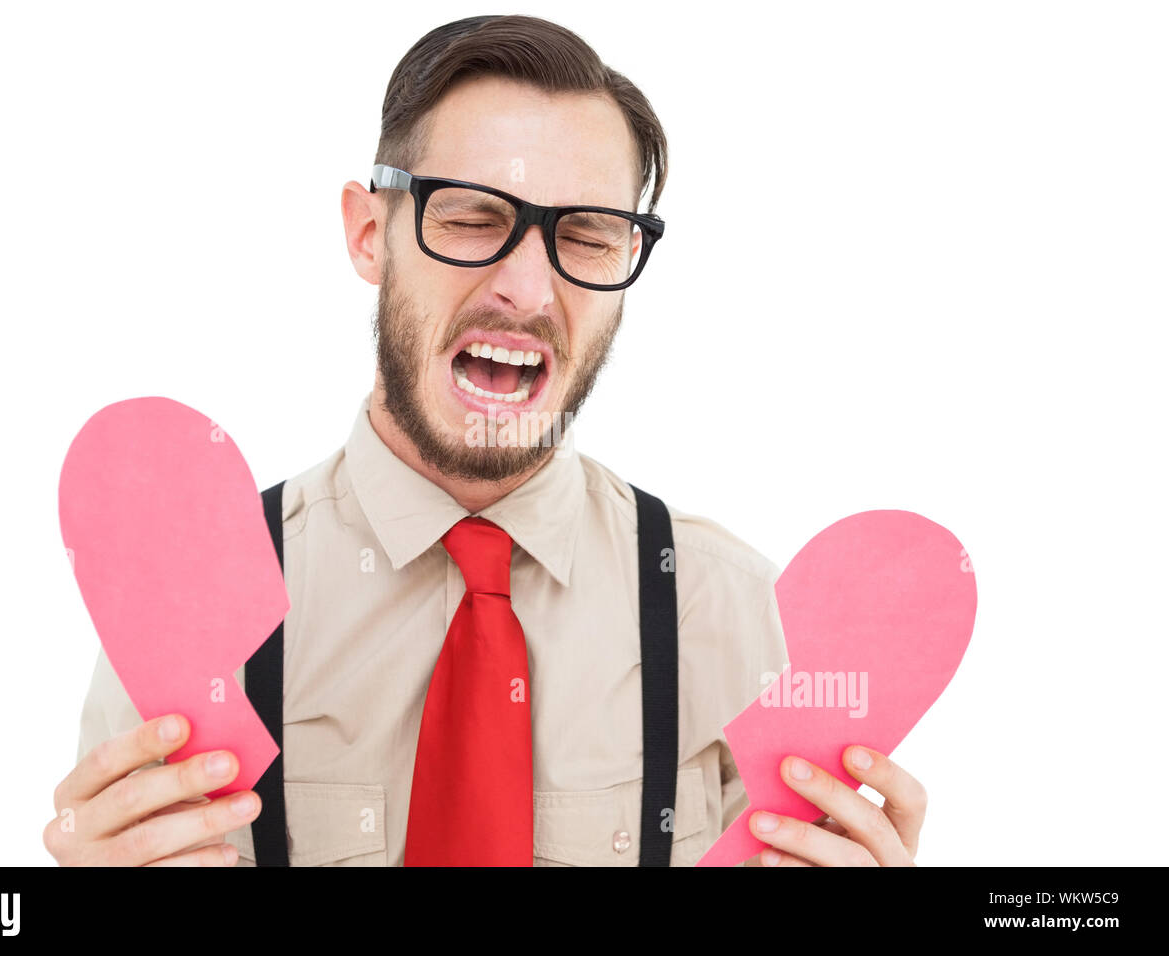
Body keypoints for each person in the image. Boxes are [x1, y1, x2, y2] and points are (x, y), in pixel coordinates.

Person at [45, 14, 927, 867]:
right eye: (470, 217)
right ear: (367, 233)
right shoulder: (194, 610)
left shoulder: (731, 613)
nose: (528, 289)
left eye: (586, 233)